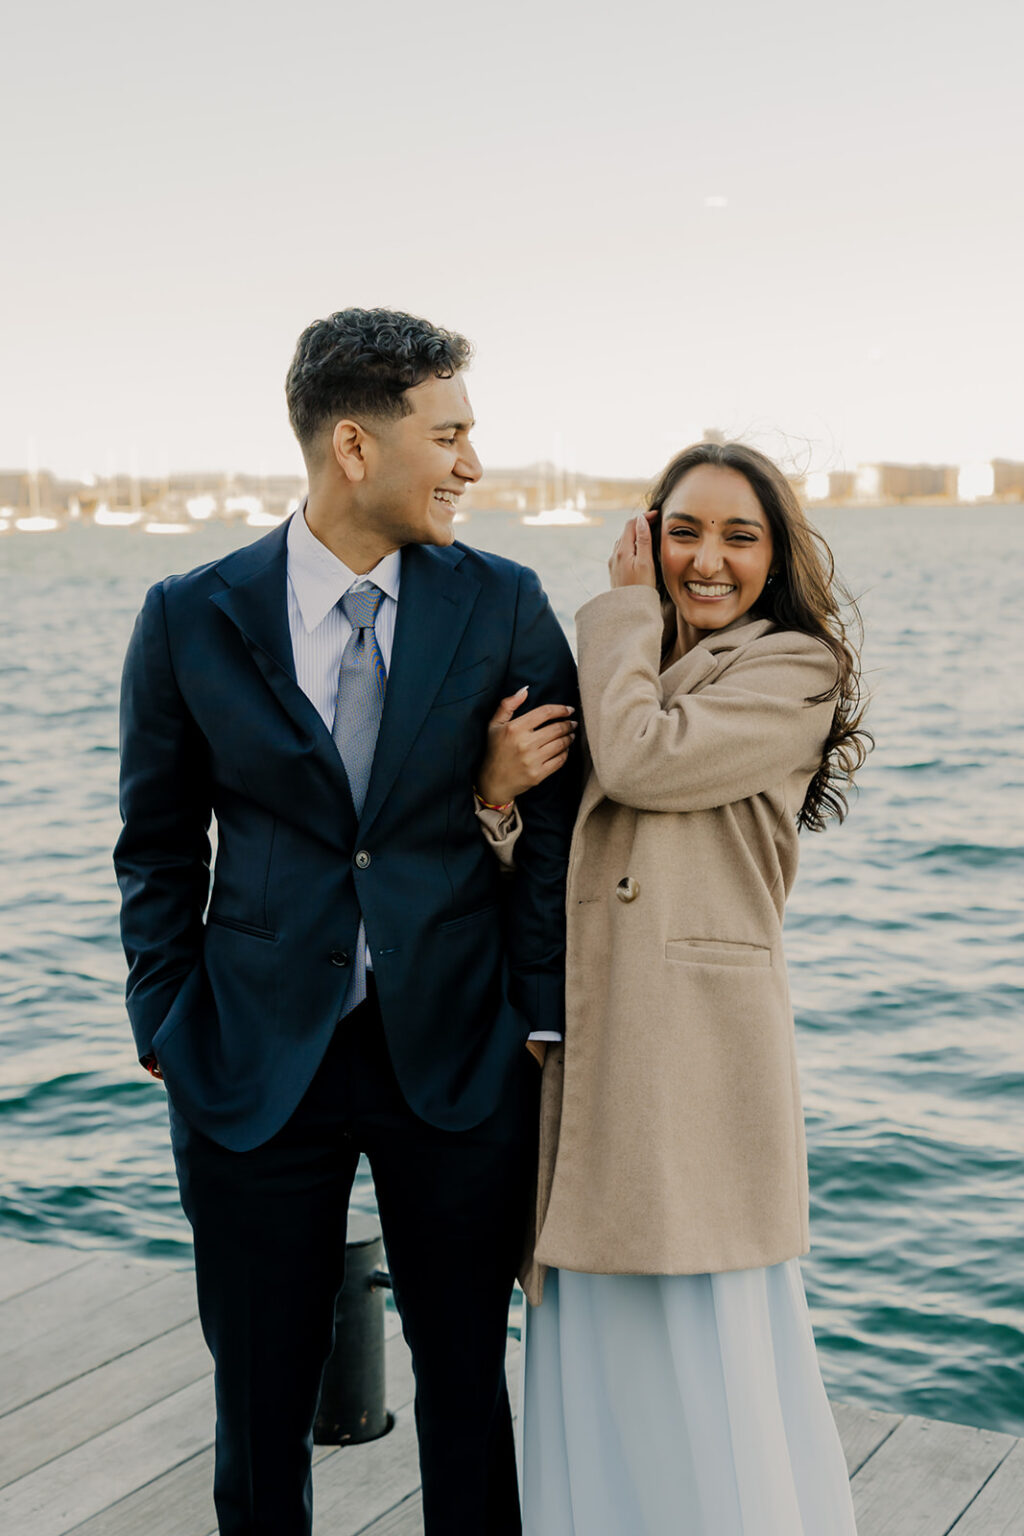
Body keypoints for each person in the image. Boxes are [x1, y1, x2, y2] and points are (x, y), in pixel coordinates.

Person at [114, 307, 579, 1536]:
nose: (473, 465)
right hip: (251, 1056)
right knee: (259, 1402)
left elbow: (561, 840)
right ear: (357, 447)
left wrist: (537, 1018)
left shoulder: (505, 602)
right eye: (452, 435)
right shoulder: (189, 615)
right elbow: (157, 846)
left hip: (459, 1054)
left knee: (468, 1391)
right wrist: (162, 1014)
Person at [477, 440, 871, 1534]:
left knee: (711, 1339)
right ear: (652, 535)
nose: (708, 560)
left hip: (693, 1052)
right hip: (601, 1049)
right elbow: (574, 853)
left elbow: (643, 763)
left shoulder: (790, 667)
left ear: (776, 554)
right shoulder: (633, 665)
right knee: (601, 1338)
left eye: (738, 535)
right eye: (683, 531)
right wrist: (497, 802)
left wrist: (615, 611)